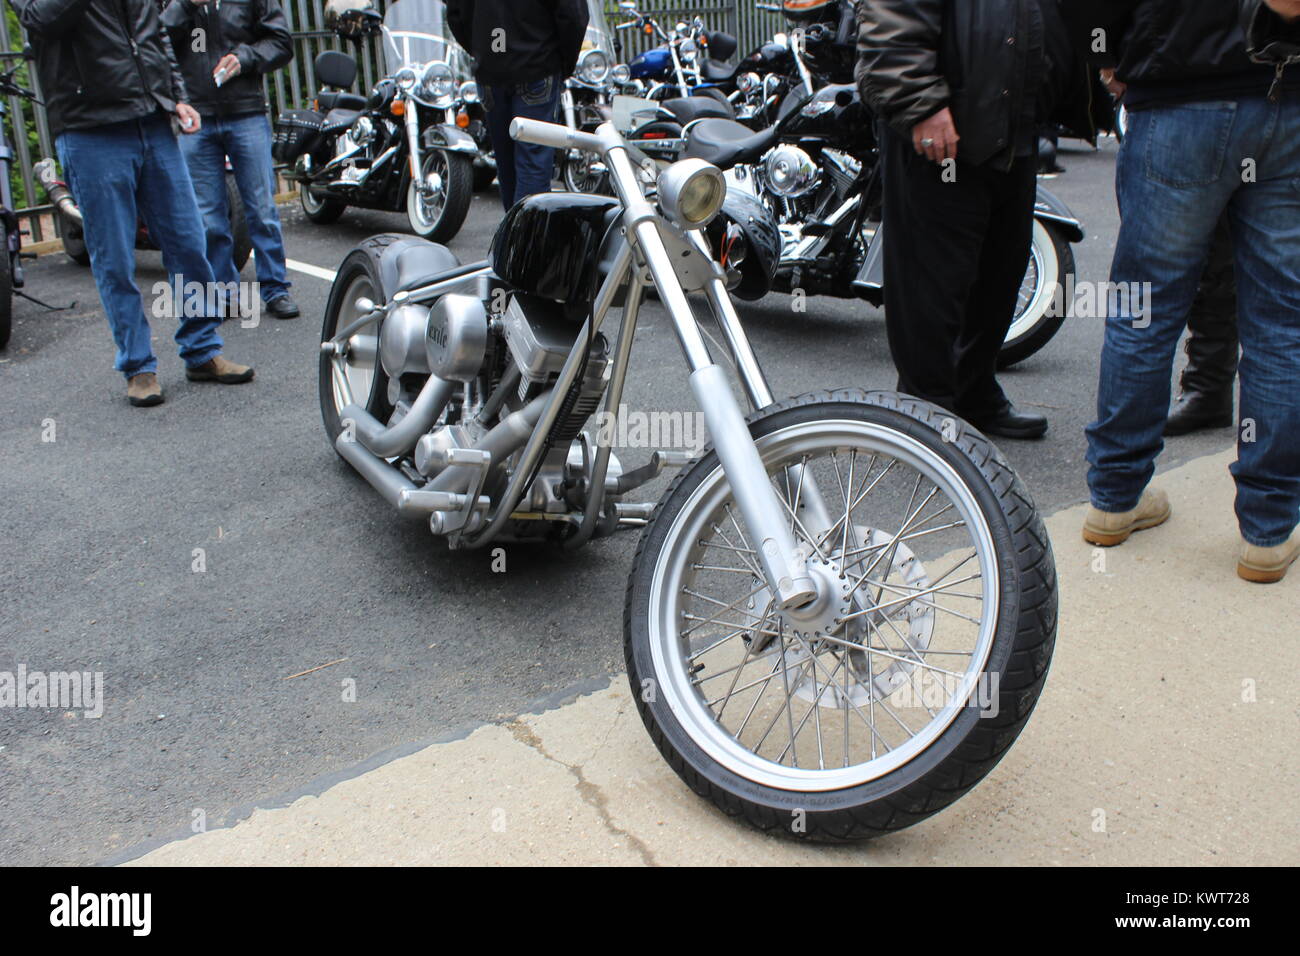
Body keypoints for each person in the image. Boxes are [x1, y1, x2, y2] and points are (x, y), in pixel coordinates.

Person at [1079, 0, 1300, 583]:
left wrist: (1108, 55)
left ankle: (1114, 499)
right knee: (1281, 323)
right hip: (1282, 93)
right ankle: (1266, 531)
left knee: (1141, 312)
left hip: (1173, 94)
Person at [856, 0, 1104, 441]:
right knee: (931, 284)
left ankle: (974, 393)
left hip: (1014, 126)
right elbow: (892, 17)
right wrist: (919, 103)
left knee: (1001, 273)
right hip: (943, 129)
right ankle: (925, 410)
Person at [13, 0, 254, 407]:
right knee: (114, 258)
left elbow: (155, 31)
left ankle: (201, 349)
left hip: (153, 121)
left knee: (188, 242)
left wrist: (175, 95)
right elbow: (40, 19)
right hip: (90, 127)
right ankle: (138, 366)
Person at [162, 0, 300, 320]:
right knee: (208, 216)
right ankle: (225, 292)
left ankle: (276, 289)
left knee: (261, 207)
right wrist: (184, 6)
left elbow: (281, 42)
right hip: (195, 115)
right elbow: (155, 40)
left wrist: (246, 56)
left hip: (246, 112)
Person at [447, 0, 588, 210]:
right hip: (537, 63)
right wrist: (563, 63)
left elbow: (456, 14)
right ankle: (526, 239)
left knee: (506, 161)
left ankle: (513, 236)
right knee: (533, 160)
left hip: (492, 69)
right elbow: (573, 15)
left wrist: (484, 50)